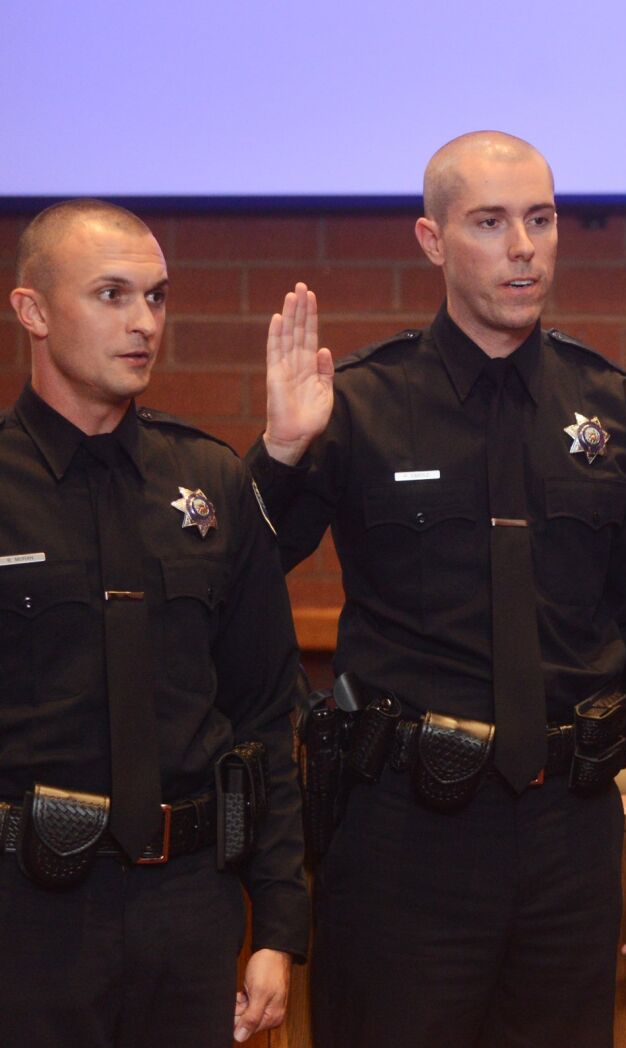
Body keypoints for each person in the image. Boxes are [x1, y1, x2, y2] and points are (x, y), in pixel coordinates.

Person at [246, 131, 626, 1047]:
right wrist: (283, 453)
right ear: (432, 241)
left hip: (569, 829)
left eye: (540, 220)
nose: (523, 247)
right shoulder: (362, 403)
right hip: (405, 832)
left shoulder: (608, 407)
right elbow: (239, 580)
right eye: (490, 222)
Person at [0, 199, 305, 1046]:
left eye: (157, 297)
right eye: (111, 295)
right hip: (26, 916)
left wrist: (278, 925)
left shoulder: (209, 480)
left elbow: (264, 716)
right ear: (31, 310)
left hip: (188, 906)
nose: (143, 324)